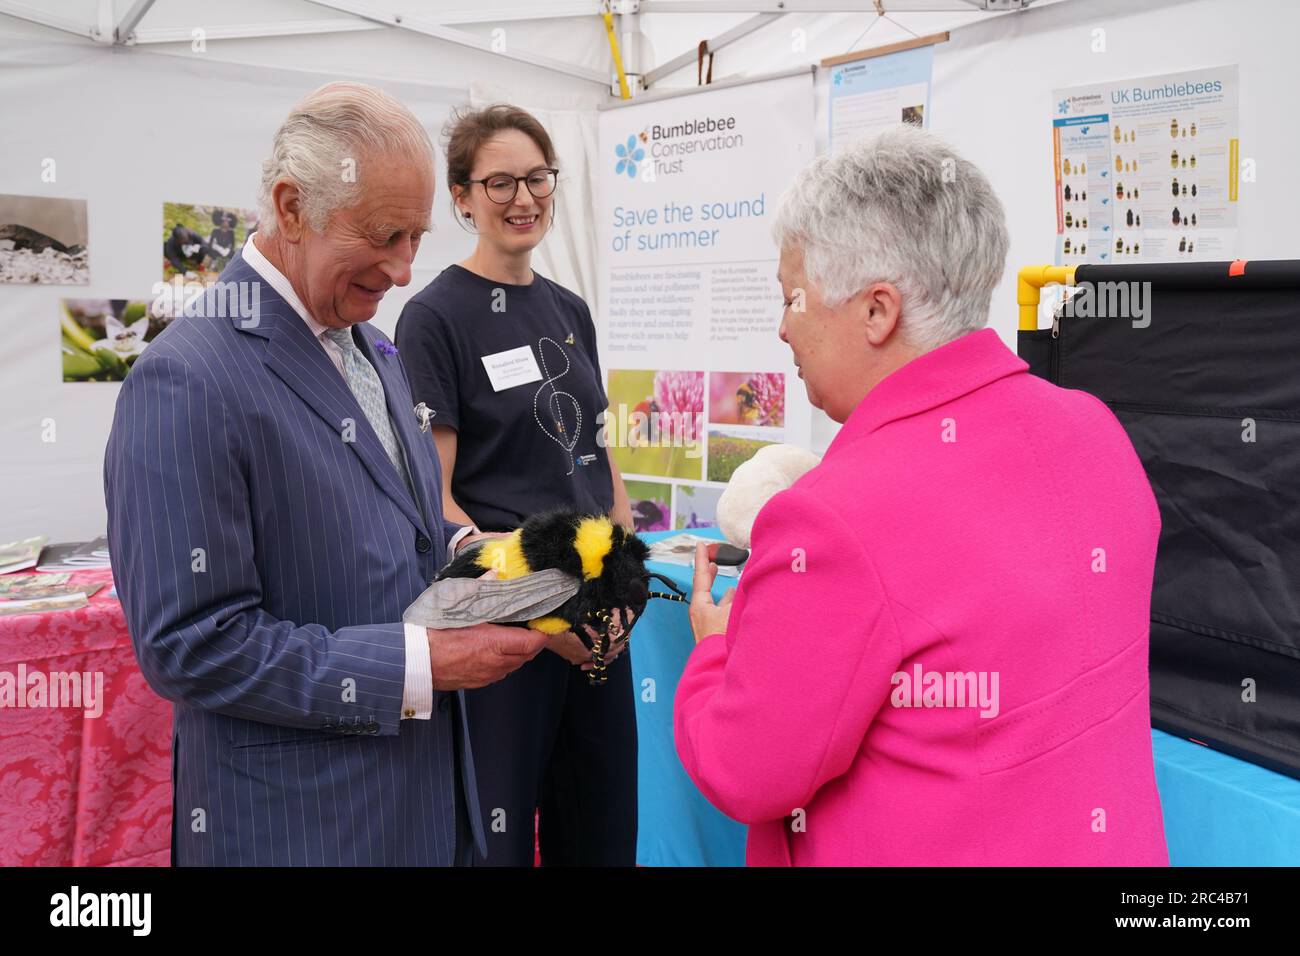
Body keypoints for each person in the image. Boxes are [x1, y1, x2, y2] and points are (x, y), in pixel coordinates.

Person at [676, 124, 1170, 866]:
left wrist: (715, 651)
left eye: (793, 300)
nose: (782, 329)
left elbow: (745, 767)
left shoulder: (832, 518)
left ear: (878, 311)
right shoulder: (1095, 428)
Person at [104, 82, 550, 867]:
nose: (406, 269)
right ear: (290, 206)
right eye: (384, 236)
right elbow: (190, 645)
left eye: (416, 236)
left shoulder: (372, 343)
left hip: (425, 812)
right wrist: (419, 663)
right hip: (302, 831)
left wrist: (485, 557)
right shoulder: (188, 379)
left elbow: (404, 524)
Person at [395, 105, 638, 866]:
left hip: (598, 626)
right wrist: (547, 613)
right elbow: (437, 506)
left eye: (537, 177)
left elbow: (600, 460)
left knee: (600, 829)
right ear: (462, 197)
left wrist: (622, 581)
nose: (523, 197)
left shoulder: (569, 310)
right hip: (506, 630)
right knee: (495, 842)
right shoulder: (433, 319)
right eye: (499, 182)